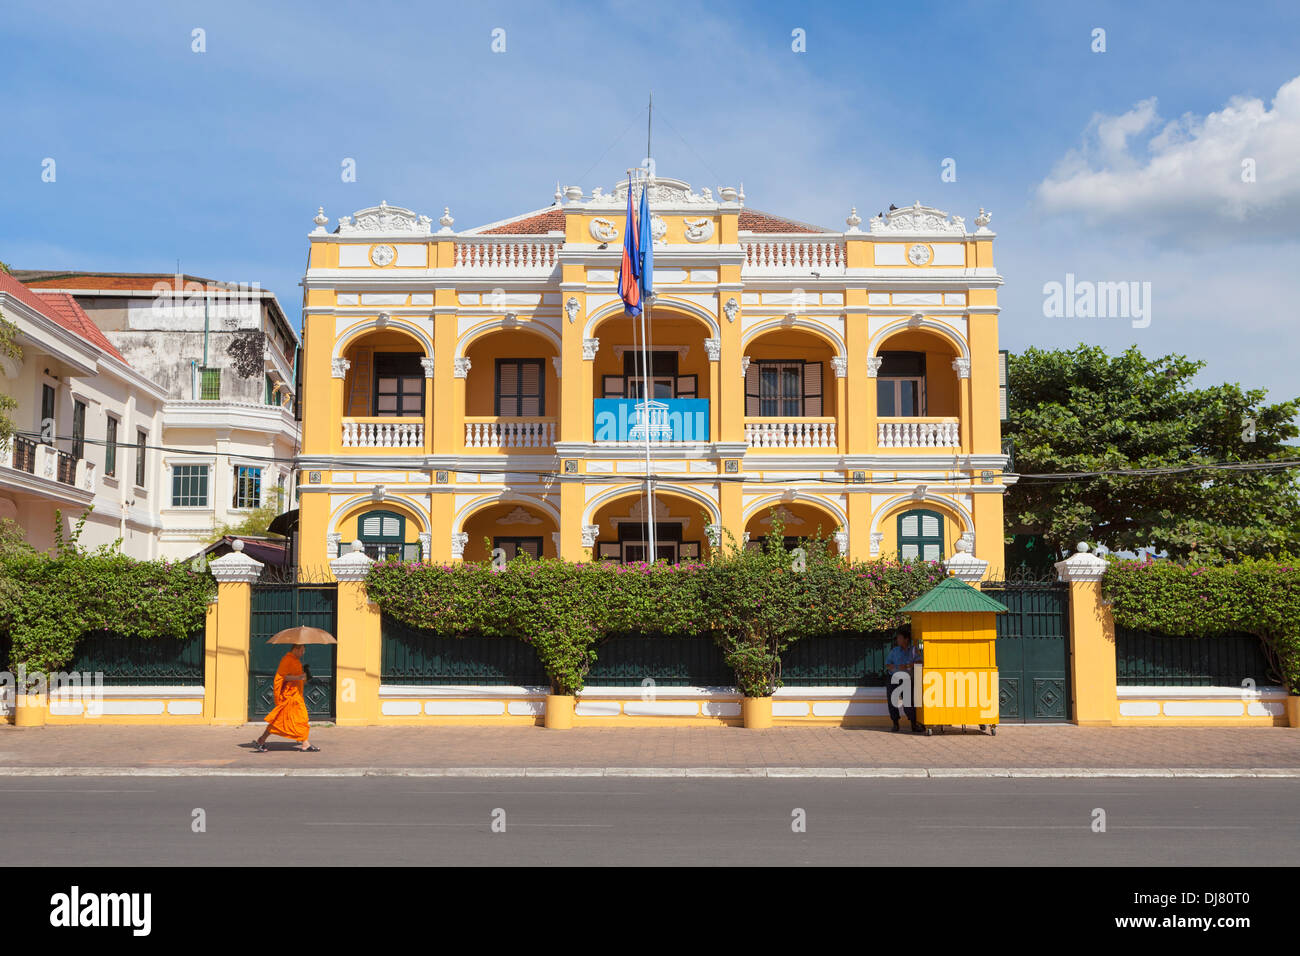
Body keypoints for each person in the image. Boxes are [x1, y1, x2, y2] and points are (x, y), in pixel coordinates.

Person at [253, 644, 318, 752]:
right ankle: (262, 739)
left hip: (296, 696)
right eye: (301, 650)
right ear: (295, 649)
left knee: (302, 719)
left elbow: (299, 677)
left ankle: (305, 743)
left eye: (304, 650)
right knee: (279, 721)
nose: (303, 653)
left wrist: (305, 675)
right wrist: (298, 677)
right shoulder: (287, 660)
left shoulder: (296, 661)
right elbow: (282, 677)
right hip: (288, 697)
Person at [884, 626, 924, 734]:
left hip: (906, 678)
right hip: (894, 678)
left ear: (906, 639)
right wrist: (896, 667)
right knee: (892, 701)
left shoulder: (914, 651)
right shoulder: (894, 651)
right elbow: (887, 664)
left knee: (908, 702)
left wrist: (910, 665)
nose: (898, 640)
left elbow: (921, 662)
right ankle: (895, 723)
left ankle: (913, 724)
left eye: (900, 638)